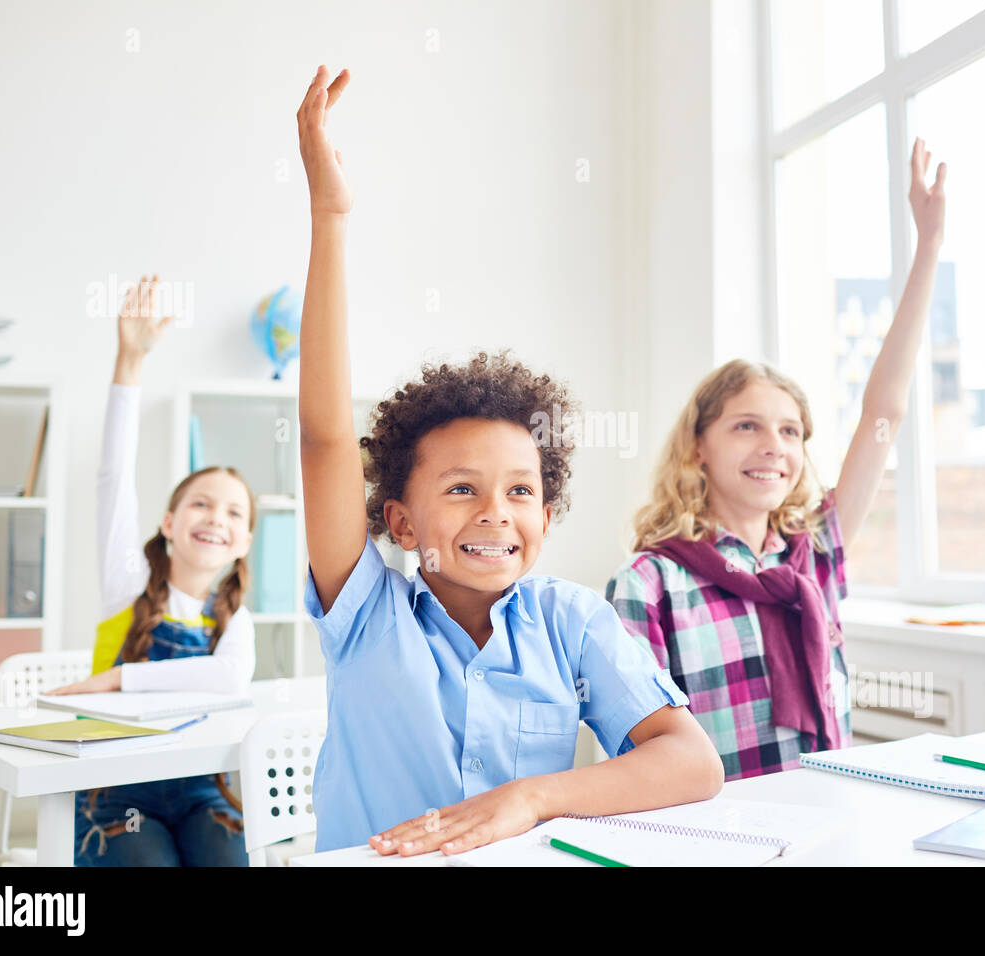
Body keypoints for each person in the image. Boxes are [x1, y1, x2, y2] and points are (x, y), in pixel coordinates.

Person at [295, 64, 723, 857]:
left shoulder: (571, 621)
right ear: (398, 517)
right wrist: (330, 216)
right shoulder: (366, 617)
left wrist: (531, 799)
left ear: (546, 515)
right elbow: (324, 441)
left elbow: (692, 762)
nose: (496, 512)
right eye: (461, 488)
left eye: (520, 490)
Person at [607, 139, 947, 780]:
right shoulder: (648, 586)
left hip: (829, 823)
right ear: (699, 448)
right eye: (747, 426)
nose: (774, 447)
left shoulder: (814, 552)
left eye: (791, 432)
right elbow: (637, 762)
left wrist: (928, 246)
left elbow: (886, 410)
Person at [48, 275, 257, 865]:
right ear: (169, 522)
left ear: (242, 542)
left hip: (201, 792)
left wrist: (118, 680)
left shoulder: (234, 614)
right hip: (114, 795)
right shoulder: (127, 582)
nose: (215, 517)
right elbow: (113, 476)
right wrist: (129, 363)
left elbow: (230, 680)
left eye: (233, 512)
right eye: (200, 503)